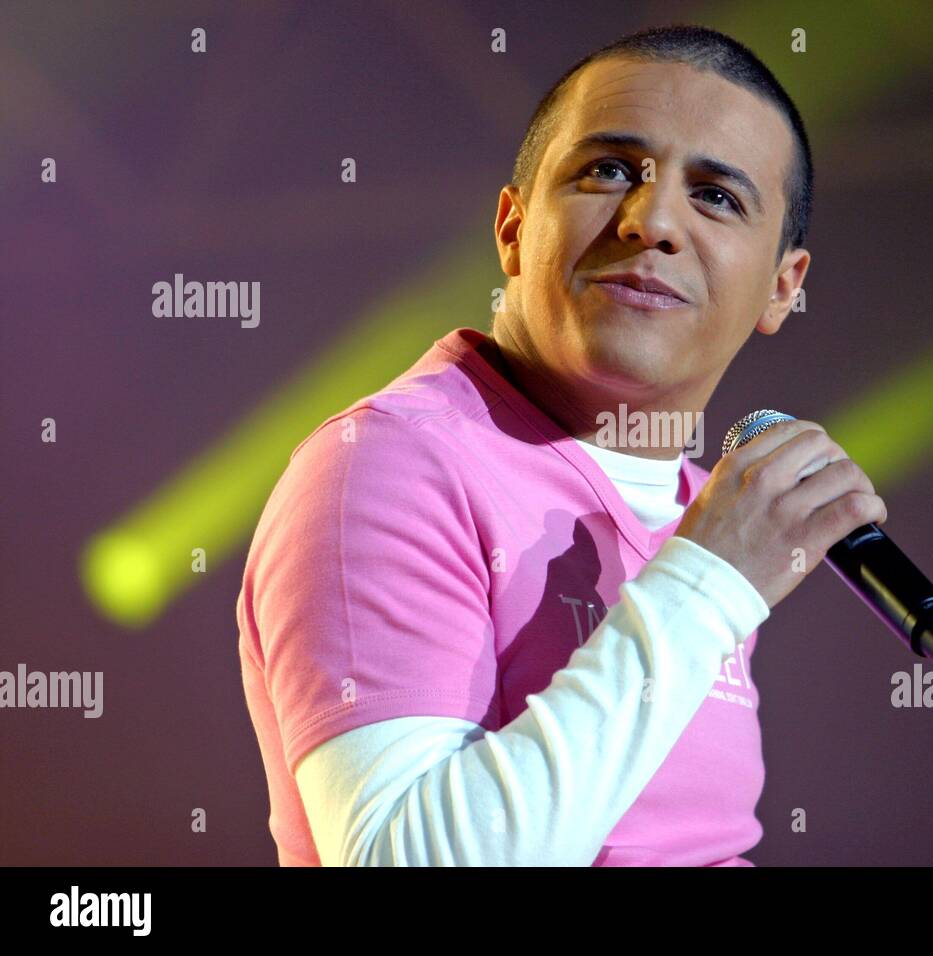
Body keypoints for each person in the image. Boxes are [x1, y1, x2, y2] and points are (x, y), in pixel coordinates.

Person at [236, 23, 885, 866]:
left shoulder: (706, 513)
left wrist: (711, 571)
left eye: (716, 197)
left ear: (781, 287)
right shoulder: (387, 464)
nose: (651, 220)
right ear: (512, 228)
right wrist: (708, 585)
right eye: (609, 170)